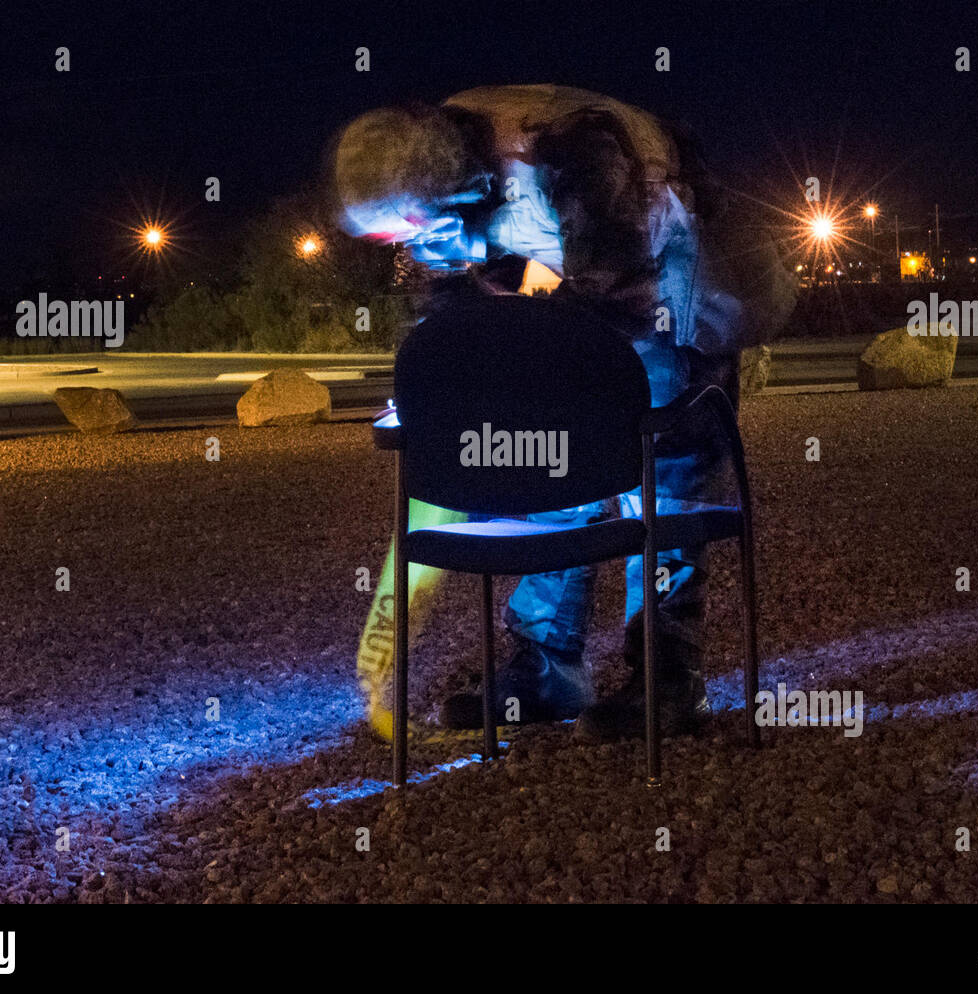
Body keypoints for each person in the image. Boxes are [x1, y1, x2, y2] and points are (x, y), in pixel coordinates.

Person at [335, 84, 793, 740]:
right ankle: (548, 668)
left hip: (675, 287)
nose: (410, 247)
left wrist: (525, 353)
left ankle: (668, 678)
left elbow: (601, 288)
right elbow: (458, 302)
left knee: (666, 474)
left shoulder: (577, 153)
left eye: (410, 227)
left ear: (443, 189)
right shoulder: (446, 185)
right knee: (551, 455)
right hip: (583, 286)